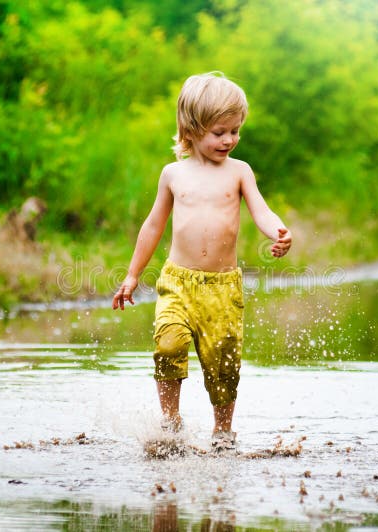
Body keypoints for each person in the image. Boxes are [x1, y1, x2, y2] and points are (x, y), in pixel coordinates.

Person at [112, 72, 292, 451]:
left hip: (222, 289)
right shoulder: (173, 174)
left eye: (235, 131)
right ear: (192, 130)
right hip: (178, 282)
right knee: (168, 345)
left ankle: (223, 433)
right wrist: (132, 275)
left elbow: (261, 211)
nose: (229, 140)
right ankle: (170, 425)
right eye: (219, 132)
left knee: (224, 364)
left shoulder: (239, 172)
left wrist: (278, 231)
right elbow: (153, 225)